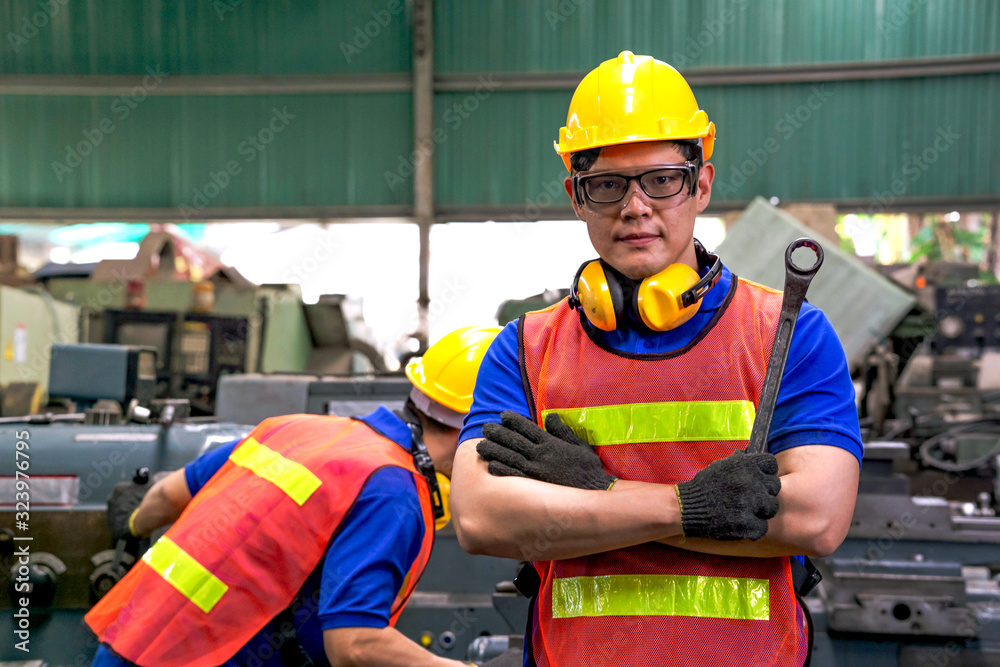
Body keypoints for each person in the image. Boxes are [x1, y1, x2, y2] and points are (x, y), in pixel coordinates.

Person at [449, 51, 862, 667]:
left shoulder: (787, 332)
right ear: (576, 196)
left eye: (662, 179)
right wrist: (692, 507)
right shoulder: (525, 347)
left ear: (701, 184)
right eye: (607, 184)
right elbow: (482, 520)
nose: (635, 206)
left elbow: (816, 520)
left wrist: (596, 495)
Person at [87, 325, 501, 667]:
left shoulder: (293, 429)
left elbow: (163, 495)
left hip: (125, 645)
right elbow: (354, 643)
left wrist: (132, 523)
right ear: (482, 426)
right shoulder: (394, 490)